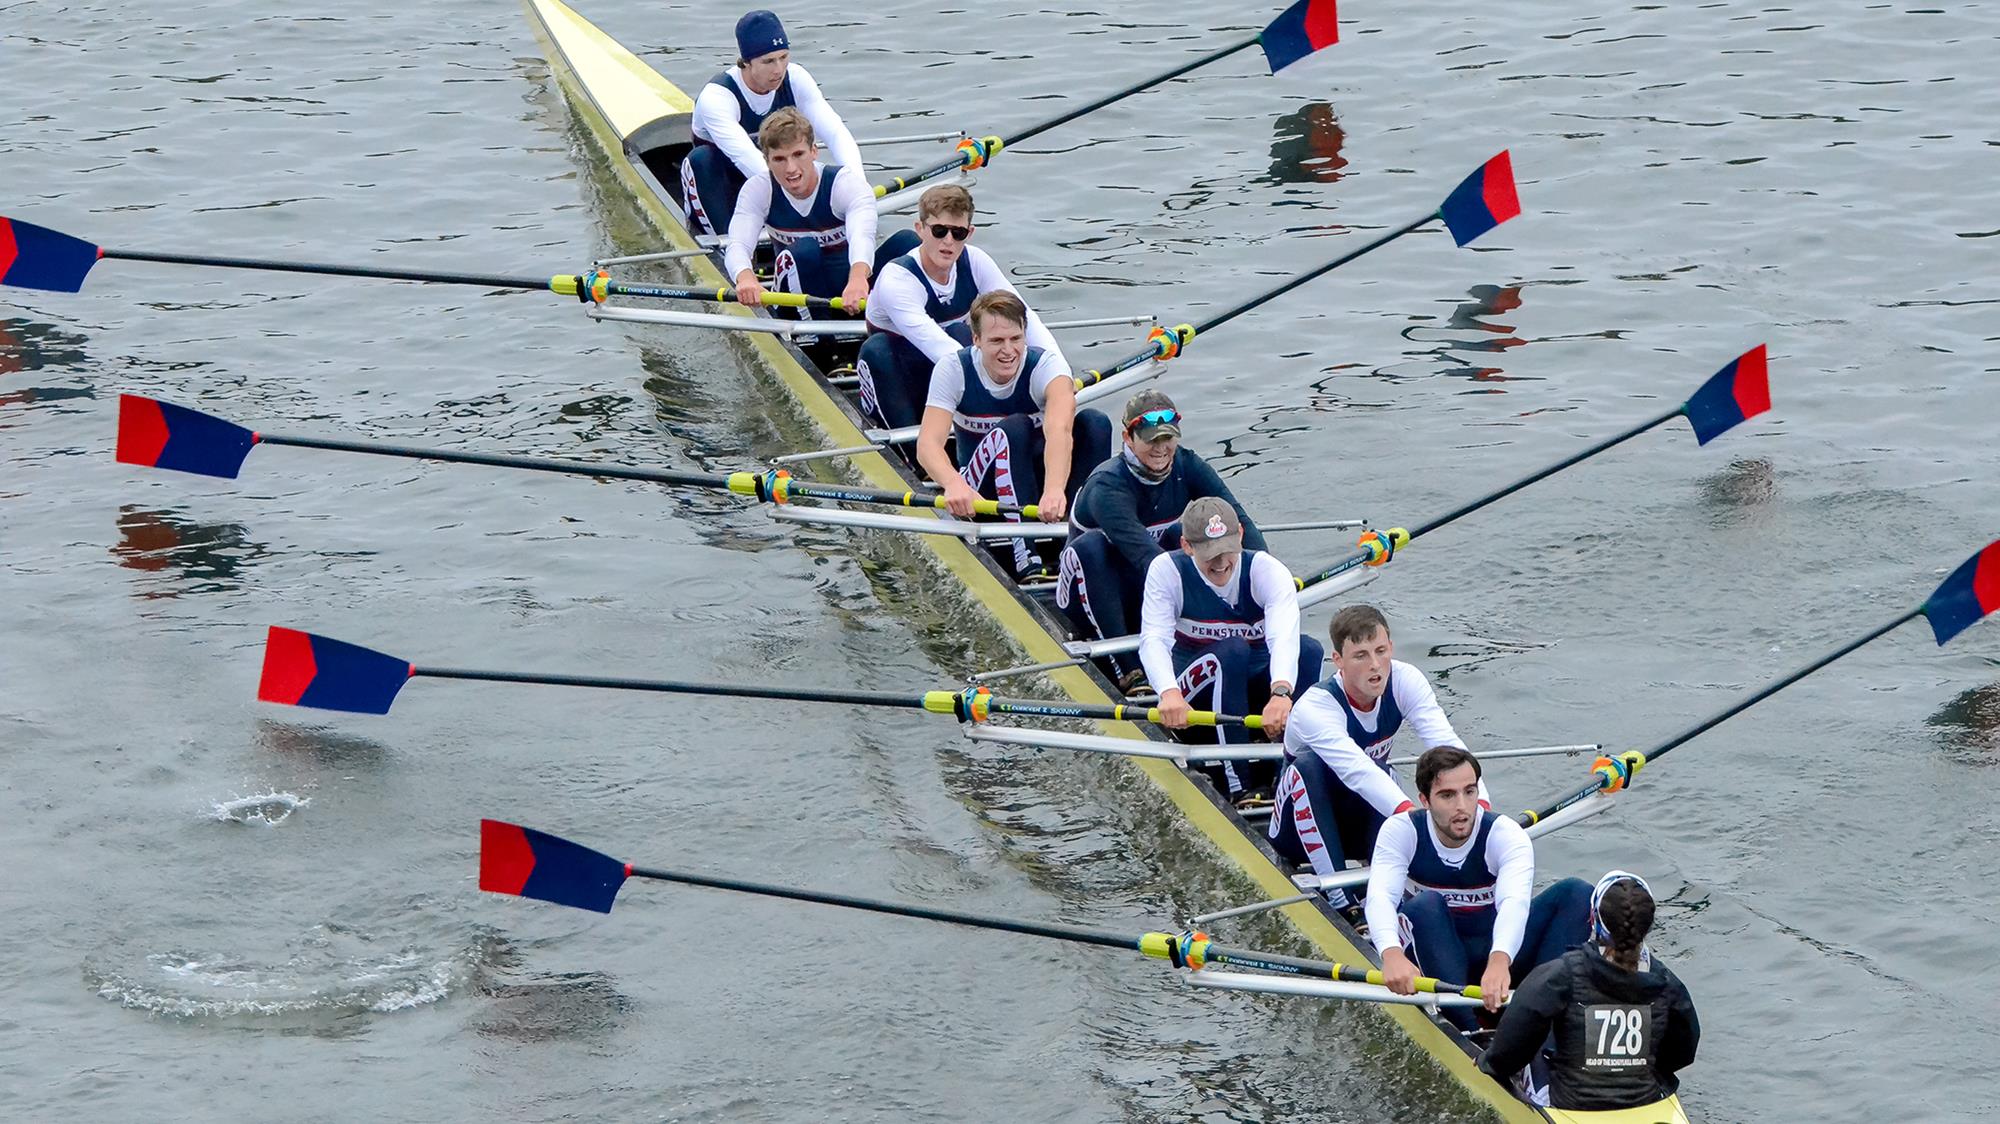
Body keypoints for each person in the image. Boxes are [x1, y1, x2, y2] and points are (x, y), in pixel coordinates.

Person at [1366, 746, 1594, 1032]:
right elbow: (1379, 898)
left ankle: (1542, 1019)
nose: (1462, 806)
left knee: (1578, 893)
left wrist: (1499, 960)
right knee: (1425, 905)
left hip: (1494, 953)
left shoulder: (1504, 834)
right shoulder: (1401, 831)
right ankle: (1473, 1033)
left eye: (1469, 792)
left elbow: (1514, 902)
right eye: (1447, 795)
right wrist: (1391, 954)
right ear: (1425, 800)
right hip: (1432, 953)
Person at [1267, 605, 1474, 919]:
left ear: (1391, 647)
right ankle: (1342, 904)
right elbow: (1357, 770)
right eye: (1361, 655)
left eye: (1380, 651)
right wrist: (1415, 818)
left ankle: (1395, 897)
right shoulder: (1316, 706)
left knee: (1388, 773)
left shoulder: (1405, 680)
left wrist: (1478, 810)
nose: (1375, 665)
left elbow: (1447, 746)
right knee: (1311, 767)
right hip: (1297, 827)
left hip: (1357, 818)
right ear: (1338, 661)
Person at [1057, 389, 1266, 690]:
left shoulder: (1187, 465)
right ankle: (1126, 667)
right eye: (1150, 439)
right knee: (1093, 548)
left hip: (1143, 589)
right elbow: (1149, 560)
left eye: (1167, 438)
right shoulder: (1108, 487)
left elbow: (1238, 521)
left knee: (1183, 534)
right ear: (1128, 438)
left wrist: (1263, 577)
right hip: (1088, 591)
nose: (1161, 448)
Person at [1137, 497, 1324, 802]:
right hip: (1191, 706)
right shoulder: (1167, 570)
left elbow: (1283, 637)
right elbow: (1153, 639)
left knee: (1310, 650)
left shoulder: (1267, 570)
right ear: (1187, 545)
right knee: (1234, 651)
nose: (1221, 562)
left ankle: (1286, 775)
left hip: (1256, 706)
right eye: (1210, 554)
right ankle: (1240, 785)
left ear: (1239, 534)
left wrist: (1280, 693)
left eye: (1227, 549)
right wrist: (1168, 693)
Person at [914, 291, 1113, 578]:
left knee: (1095, 424)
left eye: (1015, 339)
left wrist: (1054, 489)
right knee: (1016, 426)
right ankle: (1024, 549)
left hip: (1039, 484)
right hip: (979, 491)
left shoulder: (1048, 367)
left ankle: (1081, 536)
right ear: (977, 340)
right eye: (996, 341)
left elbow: (1060, 430)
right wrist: (952, 483)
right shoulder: (953, 369)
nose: (1008, 351)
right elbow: (928, 444)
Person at [1479, 872, 1701, 1112]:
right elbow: (1684, 1051)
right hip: (1643, 1100)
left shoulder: (1562, 974)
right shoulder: (1667, 983)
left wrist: (1488, 1062)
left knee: (1536, 1036)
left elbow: (1516, 1036)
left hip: (1568, 1103)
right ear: (1646, 928)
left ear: (1594, 921)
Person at [858, 184, 1069, 432]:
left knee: (966, 333)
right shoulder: (898, 279)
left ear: (969, 233)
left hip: (950, 368)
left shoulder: (976, 260)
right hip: (901, 373)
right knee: (877, 349)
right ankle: (911, 457)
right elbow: (937, 346)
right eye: (939, 231)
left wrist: (1059, 374)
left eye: (958, 233)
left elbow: (1022, 316)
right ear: (920, 230)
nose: (948, 242)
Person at [681, 10, 865, 237]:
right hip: (721, 185)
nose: (778, 69)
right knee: (702, 160)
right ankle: (722, 245)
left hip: (777, 176)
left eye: (783, 57)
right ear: (746, 63)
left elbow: (836, 133)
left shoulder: (796, 78)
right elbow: (746, 157)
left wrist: (858, 190)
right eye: (768, 61)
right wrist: (804, 206)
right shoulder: (717, 98)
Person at [724, 108, 877, 312]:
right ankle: (817, 340)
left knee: (906, 243)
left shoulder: (845, 185)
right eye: (780, 159)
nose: (791, 169)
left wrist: (858, 278)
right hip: (794, 301)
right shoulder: (758, 190)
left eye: (798, 155)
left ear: (814, 151)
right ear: (766, 161)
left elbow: (862, 236)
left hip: (852, 291)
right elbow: (738, 245)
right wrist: (745, 278)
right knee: (805, 249)